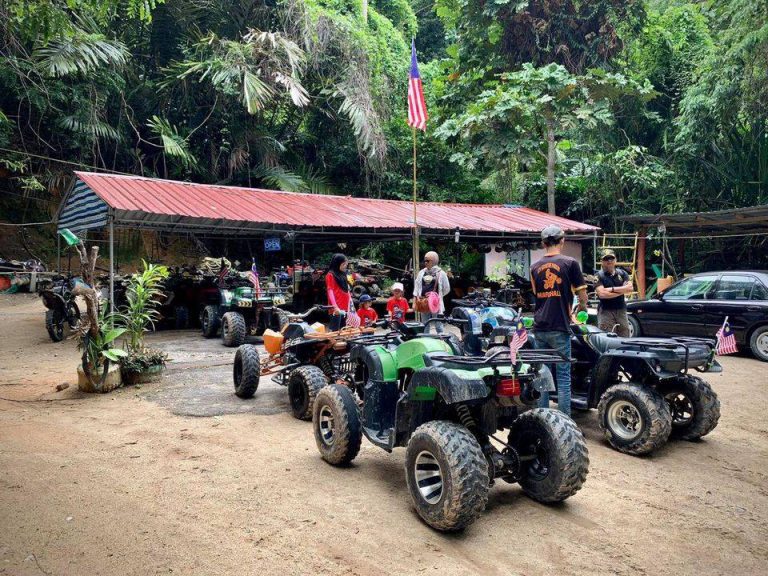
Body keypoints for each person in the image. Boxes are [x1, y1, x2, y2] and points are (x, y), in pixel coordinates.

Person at [530, 225, 588, 417]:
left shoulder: (534, 267)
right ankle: (565, 422)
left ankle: (543, 420)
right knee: (563, 377)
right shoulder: (570, 263)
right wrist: (582, 308)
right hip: (560, 326)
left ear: (543, 243)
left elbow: (538, 294)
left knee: (542, 375)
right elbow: (582, 293)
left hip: (539, 327)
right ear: (562, 241)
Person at [595, 250, 633, 337]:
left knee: (625, 336)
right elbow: (602, 294)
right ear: (602, 261)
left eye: (611, 258)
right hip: (606, 311)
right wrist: (622, 290)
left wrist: (610, 289)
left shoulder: (623, 273)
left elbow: (630, 288)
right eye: (606, 259)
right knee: (607, 337)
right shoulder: (598, 276)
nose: (609, 261)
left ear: (615, 260)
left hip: (621, 310)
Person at [413, 251, 450, 333]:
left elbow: (446, 288)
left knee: (438, 324)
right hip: (423, 302)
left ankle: (442, 341)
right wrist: (415, 301)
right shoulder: (421, 272)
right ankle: (426, 341)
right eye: (425, 261)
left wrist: (437, 297)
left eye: (427, 261)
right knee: (425, 324)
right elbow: (416, 287)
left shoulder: (441, 273)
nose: (425, 263)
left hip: (435, 303)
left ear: (434, 261)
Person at [325, 253, 351, 331]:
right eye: (343, 264)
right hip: (336, 308)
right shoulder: (330, 275)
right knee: (335, 331)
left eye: (346, 264)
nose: (345, 266)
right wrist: (335, 307)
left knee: (343, 329)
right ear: (337, 263)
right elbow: (330, 291)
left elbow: (347, 290)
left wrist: (350, 303)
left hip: (345, 306)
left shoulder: (343, 274)